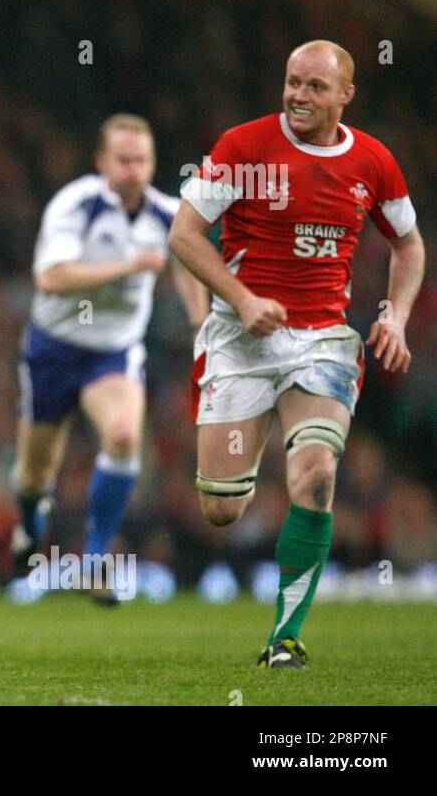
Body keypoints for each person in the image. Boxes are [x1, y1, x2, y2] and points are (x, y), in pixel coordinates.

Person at [169, 40, 424, 668]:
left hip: (322, 342)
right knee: (222, 508)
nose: (299, 96)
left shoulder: (373, 162)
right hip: (239, 337)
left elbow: (409, 246)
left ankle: (284, 636)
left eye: (314, 86)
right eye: (292, 83)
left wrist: (396, 315)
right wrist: (241, 298)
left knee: (316, 476)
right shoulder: (242, 148)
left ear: (345, 95)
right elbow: (183, 235)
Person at [12, 114, 209, 603]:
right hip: (54, 348)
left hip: (113, 351)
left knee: (123, 437)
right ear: (102, 162)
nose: (132, 170)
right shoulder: (76, 205)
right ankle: (28, 522)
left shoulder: (167, 213)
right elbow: (51, 278)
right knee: (36, 473)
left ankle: (95, 561)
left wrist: (199, 322)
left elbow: (188, 261)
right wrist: (127, 266)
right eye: (122, 160)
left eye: (141, 160)